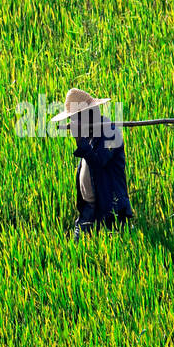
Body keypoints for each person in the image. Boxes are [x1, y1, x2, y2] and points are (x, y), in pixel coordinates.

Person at [50, 88, 134, 236]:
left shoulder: (110, 133)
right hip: (90, 208)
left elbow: (99, 162)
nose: (72, 123)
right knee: (78, 249)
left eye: (75, 118)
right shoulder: (90, 135)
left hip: (110, 208)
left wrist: (79, 141)